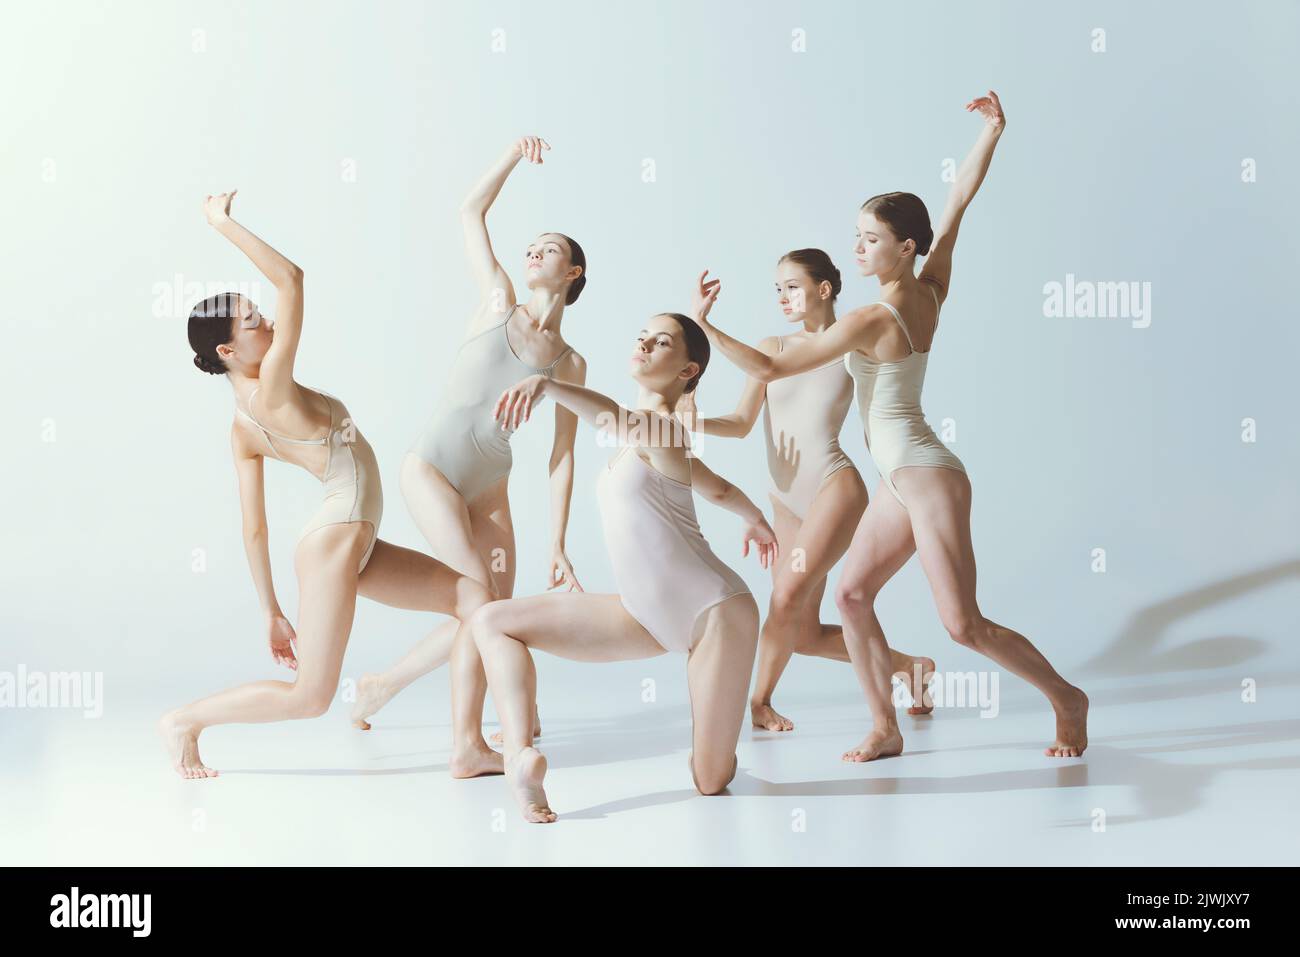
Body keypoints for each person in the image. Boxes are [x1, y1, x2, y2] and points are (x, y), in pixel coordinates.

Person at [689, 92, 1089, 763]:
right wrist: (992, 130)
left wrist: (706, 327)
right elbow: (958, 201)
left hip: (926, 474)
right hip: (896, 479)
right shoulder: (930, 285)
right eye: (857, 236)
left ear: (903, 247)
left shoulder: (874, 318)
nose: (858, 248)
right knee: (849, 594)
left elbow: (766, 362)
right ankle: (885, 725)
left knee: (963, 623)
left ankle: (1066, 698)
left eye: (871, 239)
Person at [163, 190, 490, 779]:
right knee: (309, 697)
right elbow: (291, 279)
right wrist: (222, 223)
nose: (266, 321)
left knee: (477, 600)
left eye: (259, 313)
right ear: (228, 350)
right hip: (337, 537)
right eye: (252, 320)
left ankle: (463, 742)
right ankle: (185, 721)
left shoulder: (243, 423)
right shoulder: (272, 391)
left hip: (348, 539)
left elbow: (254, 528)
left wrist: (272, 610)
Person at [471, 311, 778, 822]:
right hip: (644, 617)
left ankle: (717, 750)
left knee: (709, 780)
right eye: (643, 337)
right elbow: (715, 485)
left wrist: (547, 385)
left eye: (662, 343)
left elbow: (611, 415)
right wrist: (754, 517)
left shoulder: (664, 430)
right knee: (491, 621)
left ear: (687, 371)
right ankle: (520, 758)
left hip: (716, 614)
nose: (645, 345)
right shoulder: (650, 445)